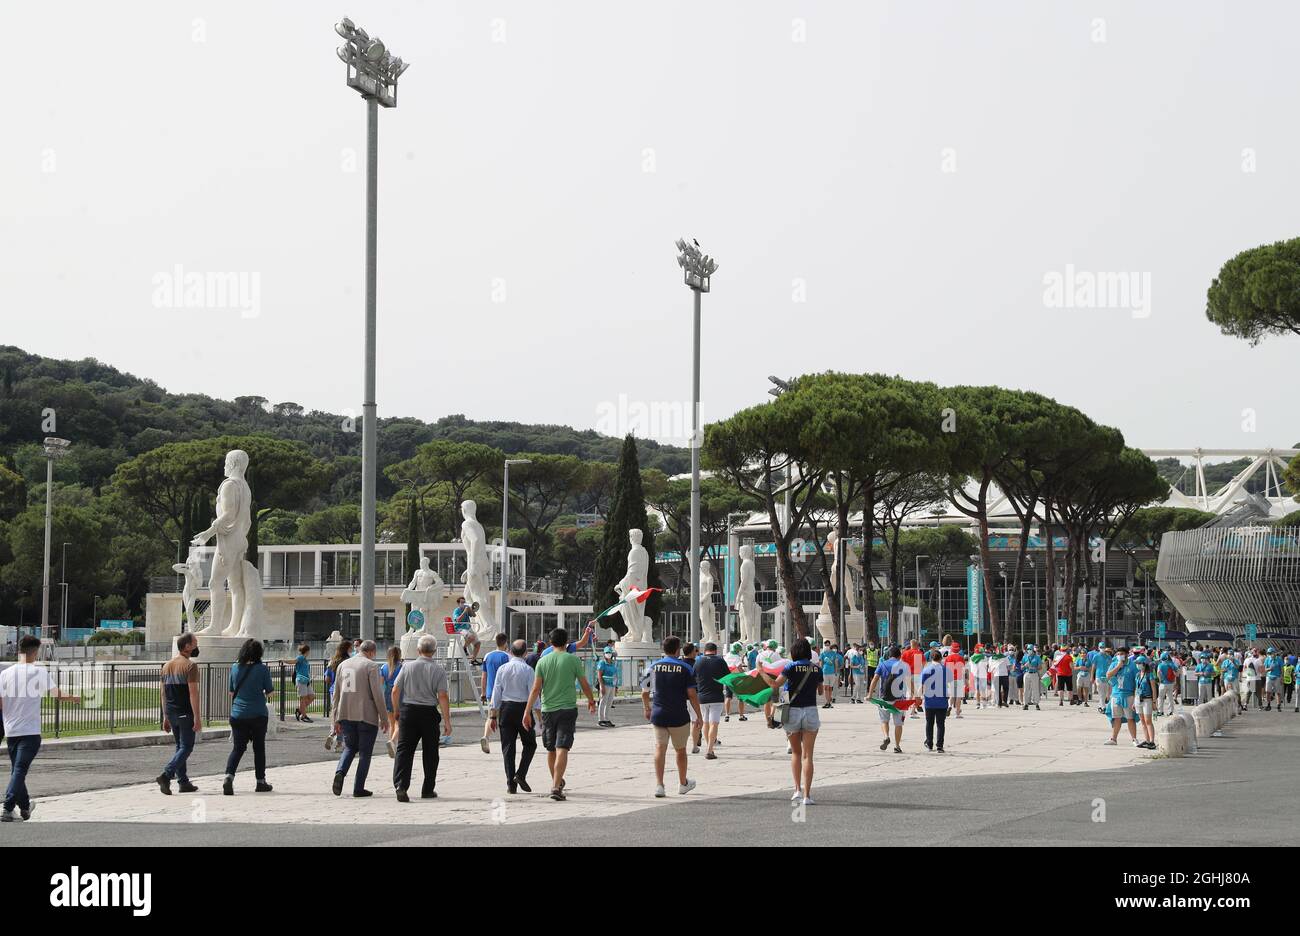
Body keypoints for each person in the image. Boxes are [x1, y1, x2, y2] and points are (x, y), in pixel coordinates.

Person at [1, 636, 77, 821]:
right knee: (19, 770)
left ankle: (25, 806)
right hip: (30, 731)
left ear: (20, 650)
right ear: (35, 651)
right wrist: (75, 698)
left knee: (17, 770)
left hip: (11, 730)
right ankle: (8, 807)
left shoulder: (5, 673)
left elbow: (1, 704)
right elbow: (56, 695)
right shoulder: (38, 671)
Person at [524, 628, 597, 801]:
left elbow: (535, 689)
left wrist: (527, 712)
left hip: (548, 709)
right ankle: (556, 786)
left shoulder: (542, 661)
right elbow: (584, 683)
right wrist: (591, 700)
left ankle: (556, 782)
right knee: (562, 747)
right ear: (566, 643)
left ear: (550, 643)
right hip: (567, 709)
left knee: (551, 749)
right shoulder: (572, 660)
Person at [391, 634, 451, 802]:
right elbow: (443, 696)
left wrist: (396, 710)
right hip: (429, 713)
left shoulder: (407, 667)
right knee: (431, 752)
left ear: (418, 650)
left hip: (409, 710)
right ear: (434, 650)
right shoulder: (438, 669)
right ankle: (427, 788)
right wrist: (447, 721)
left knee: (404, 750)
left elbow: (395, 690)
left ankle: (401, 785)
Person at [763, 637, 821, 805]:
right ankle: (807, 796)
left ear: (794, 651)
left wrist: (761, 672)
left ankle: (797, 790)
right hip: (811, 711)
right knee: (808, 755)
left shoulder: (790, 667)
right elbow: (820, 692)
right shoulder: (816, 669)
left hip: (792, 711)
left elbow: (775, 684)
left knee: (796, 752)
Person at [642, 636, 701, 797]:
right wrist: (698, 716)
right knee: (680, 750)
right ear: (678, 650)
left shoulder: (652, 667)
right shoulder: (685, 668)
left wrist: (647, 708)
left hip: (659, 714)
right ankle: (683, 783)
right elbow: (692, 694)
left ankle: (659, 785)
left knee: (660, 748)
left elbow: (644, 692)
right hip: (678, 715)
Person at [330, 639, 390, 798]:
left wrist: (335, 719)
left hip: (345, 713)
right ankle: (358, 787)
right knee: (365, 752)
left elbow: (336, 694)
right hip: (366, 715)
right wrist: (384, 718)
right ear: (372, 652)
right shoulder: (370, 666)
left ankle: (340, 772)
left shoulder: (343, 665)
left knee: (349, 747)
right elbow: (377, 694)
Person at [224, 638, 275, 795]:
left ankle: (229, 777)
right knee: (259, 748)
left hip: (238, 714)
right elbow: (270, 691)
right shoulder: (262, 669)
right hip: (258, 713)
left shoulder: (234, 668)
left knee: (238, 748)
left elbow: (232, 691)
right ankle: (260, 781)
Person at [489, 640, 539, 794]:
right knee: (530, 744)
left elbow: (496, 693)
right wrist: (538, 714)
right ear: (526, 653)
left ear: (510, 651)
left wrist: (493, 716)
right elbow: (534, 693)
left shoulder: (503, 669)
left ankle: (511, 783)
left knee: (508, 748)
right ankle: (521, 774)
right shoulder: (528, 670)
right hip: (523, 708)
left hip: (506, 708)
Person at [157, 633, 202, 795]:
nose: (197, 647)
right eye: (195, 643)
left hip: (171, 711)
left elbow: (163, 693)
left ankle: (183, 782)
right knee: (187, 747)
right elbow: (193, 693)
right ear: (187, 646)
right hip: (184, 712)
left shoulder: (166, 666)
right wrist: (197, 717)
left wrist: (165, 716)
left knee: (179, 747)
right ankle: (167, 774)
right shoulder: (190, 666)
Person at [869, 645, 908, 753]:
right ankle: (897, 746)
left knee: (884, 721)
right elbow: (910, 681)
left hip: (884, 697)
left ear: (889, 655)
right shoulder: (904, 666)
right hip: (899, 698)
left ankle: (886, 736)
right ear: (900, 656)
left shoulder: (882, 664)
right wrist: (914, 694)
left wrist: (870, 694)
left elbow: (875, 679)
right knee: (898, 724)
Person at [693, 642, 729, 759]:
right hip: (716, 696)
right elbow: (727, 678)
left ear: (705, 650)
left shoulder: (698, 661)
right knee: (714, 723)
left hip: (702, 696)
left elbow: (693, 677)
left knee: (706, 722)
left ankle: (709, 747)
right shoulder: (720, 661)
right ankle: (709, 750)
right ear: (715, 651)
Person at [1104, 646, 1140, 747]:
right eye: (1118, 654)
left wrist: (1135, 697)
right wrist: (1118, 666)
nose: (1120, 656)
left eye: (1122, 654)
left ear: (1127, 654)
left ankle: (1134, 739)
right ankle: (1113, 739)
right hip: (1116, 695)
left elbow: (1137, 682)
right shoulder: (1114, 664)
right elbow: (1108, 675)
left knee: (1130, 718)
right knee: (1116, 718)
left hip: (1129, 695)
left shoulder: (1132, 666)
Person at [480, 633, 510, 750]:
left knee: (491, 717)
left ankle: (486, 737)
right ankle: (505, 742)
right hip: (503, 692)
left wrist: (483, 692)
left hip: (490, 691)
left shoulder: (488, 656)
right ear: (505, 643)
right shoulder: (507, 657)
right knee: (504, 719)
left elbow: (484, 676)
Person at [323, 639, 352, 752]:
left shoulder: (333, 661)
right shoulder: (348, 661)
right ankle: (339, 742)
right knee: (343, 716)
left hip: (333, 690)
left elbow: (327, 678)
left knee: (334, 714)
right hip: (345, 690)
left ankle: (332, 733)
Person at [920, 649, 950, 753]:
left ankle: (929, 744)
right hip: (942, 700)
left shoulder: (926, 669)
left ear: (931, 658)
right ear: (941, 658)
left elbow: (922, 685)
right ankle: (940, 746)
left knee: (929, 723)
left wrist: (918, 697)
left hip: (929, 701)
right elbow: (950, 681)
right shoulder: (945, 669)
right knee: (941, 724)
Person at [380, 646, 403, 758]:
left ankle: (391, 743)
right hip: (399, 693)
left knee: (392, 722)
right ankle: (393, 742)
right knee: (399, 723)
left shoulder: (384, 667)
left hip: (388, 693)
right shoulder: (402, 667)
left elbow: (381, 683)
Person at [1134, 655, 1157, 749]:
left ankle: (1152, 741)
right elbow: (1136, 688)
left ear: (1144, 664)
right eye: (1137, 663)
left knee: (1148, 721)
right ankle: (1147, 740)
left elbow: (1153, 689)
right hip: (1138, 699)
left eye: (1139, 663)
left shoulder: (1149, 675)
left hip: (1147, 699)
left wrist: (1154, 702)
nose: (1137, 665)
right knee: (1142, 721)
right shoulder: (1137, 675)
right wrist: (1133, 702)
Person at [594, 645, 620, 727]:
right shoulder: (602, 663)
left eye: (610, 653)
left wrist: (616, 687)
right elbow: (599, 675)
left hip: (612, 685)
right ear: (604, 654)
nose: (608, 654)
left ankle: (607, 718)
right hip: (605, 684)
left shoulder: (612, 663)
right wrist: (602, 686)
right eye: (607, 653)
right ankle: (601, 719)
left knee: (609, 702)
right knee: (603, 701)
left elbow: (615, 675)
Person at [900, 640, 925, 719]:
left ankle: (904, 710)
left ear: (911, 645)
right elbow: (924, 665)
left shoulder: (905, 653)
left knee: (910, 693)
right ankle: (912, 711)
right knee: (916, 693)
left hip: (907, 675)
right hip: (917, 674)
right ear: (917, 645)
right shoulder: (919, 654)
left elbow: (901, 664)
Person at [293, 643, 314, 722]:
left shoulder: (304, 659)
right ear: (307, 651)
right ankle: (304, 716)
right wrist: (284, 660)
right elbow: (294, 661)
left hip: (306, 681)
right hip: (301, 680)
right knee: (303, 698)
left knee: (312, 696)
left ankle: (300, 710)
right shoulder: (301, 657)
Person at [944, 643, 965, 718]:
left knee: (952, 695)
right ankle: (957, 713)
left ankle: (949, 706)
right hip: (959, 678)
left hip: (950, 678)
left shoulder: (948, 658)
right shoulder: (961, 658)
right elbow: (963, 669)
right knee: (959, 696)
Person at [1155, 651, 1180, 716]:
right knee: (1170, 697)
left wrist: (1160, 680)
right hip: (1171, 683)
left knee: (1161, 698)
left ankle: (1160, 711)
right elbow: (1177, 674)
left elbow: (1158, 673)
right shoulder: (1172, 664)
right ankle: (1170, 711)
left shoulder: (1160, 664)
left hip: (1163, 683)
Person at [1021, 644, 1042, 711]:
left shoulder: (1037, 657)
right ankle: (1025, 704)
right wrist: (1025, 665)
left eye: (1030, 649)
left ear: (1033, 650)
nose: (1029, 650)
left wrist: (1033, 667)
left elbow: (1040, 667)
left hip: (1034, 674)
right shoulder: (1024, 657)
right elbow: (1021, 667)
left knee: (1035, 689)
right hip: (1027, 674)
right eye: (1028, 649)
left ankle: (1037, 704)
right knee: (1026, 689)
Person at [820, 642, 841, 709]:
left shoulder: (833, 653)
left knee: (830, 688)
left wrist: (836, 672)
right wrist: (821, 671)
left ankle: (829, 702)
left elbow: (835, 663)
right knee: (826, 687)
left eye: (828, 645)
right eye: (826, 645)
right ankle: (827, 702)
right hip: (825, 672)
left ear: (830, 645)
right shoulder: (823, 653)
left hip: (832, 673)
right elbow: (821, 663)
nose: (827, 646)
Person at [1263, 648, 1285, 712]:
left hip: (1277, 677)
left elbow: (1282, 669)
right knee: (1268, 692)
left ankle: (1278, 706)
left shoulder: (1279, 659)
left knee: (1278, 692)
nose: (1269, 655)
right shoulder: (1267, 659)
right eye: (1268, 653)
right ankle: (1268, 705)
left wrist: (1282, 678)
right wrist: (1269, 669)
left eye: (1270, 653)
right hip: (1269, 677)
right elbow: (1265, 669)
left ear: (1274, 653)